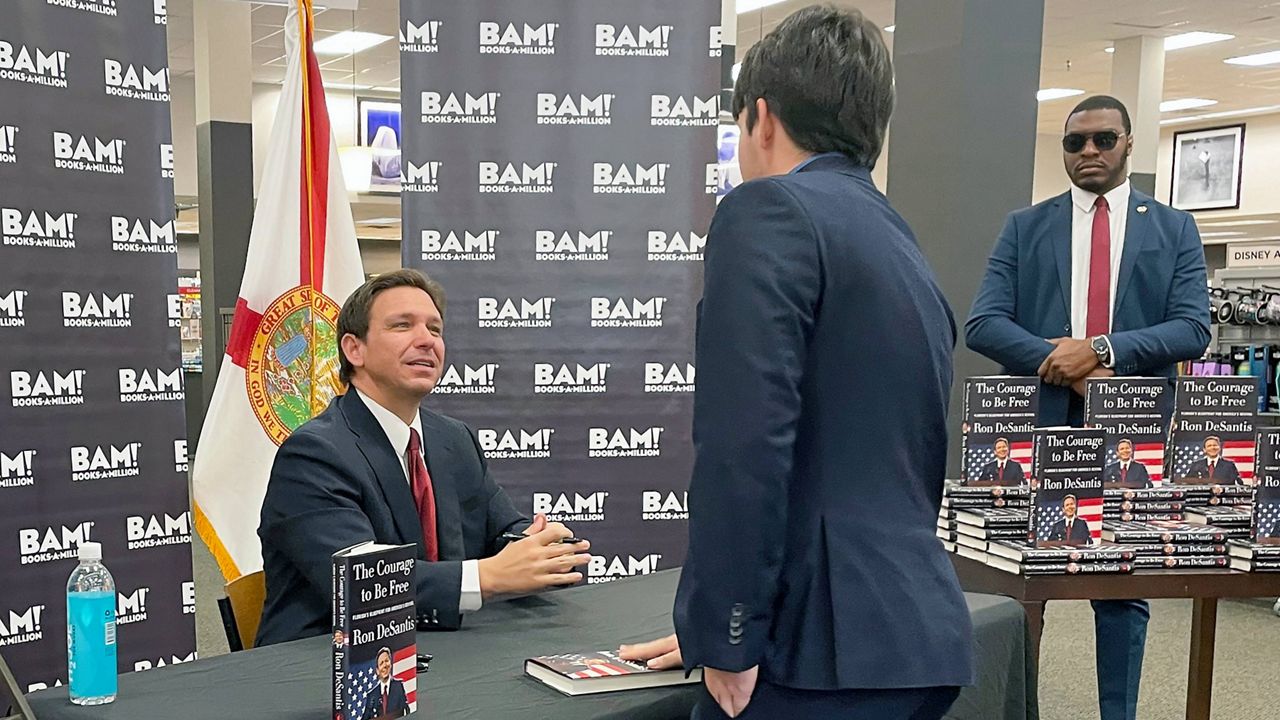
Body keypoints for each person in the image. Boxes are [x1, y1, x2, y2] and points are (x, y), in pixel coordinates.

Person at [622, 8, 973, 719]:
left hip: (818, 659)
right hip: (911, 633)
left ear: (761, 117)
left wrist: (728, 631)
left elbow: (745, 441)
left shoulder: (767, 211)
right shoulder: (896, 240)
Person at [966, 94, 1210, 720]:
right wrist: (1066, 367)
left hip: (1130, 433)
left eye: (1104, 139)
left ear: (1129, 143)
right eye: (1075, 143)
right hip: (1034, 432)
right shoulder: (1026, 225)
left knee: (1123, 590)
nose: (1089, 152)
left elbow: (1191, 329)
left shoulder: (1173, 227)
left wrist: (1099, 353)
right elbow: (984, 324)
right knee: (1025, 588)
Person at [256, 270, 591, 646]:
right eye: (402, 326)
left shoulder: (453, 439)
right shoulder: (314, 455)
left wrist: (532, 545)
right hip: (325, 667)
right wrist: (489, 576)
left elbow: (500, 531)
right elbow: (364, 583)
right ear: (355, 350)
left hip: (439, 651)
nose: (425, 341)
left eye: (435, 329)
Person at [360, 647, 408, 720]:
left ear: (391, 663)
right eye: (381, 663)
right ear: (377, 671)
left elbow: (407, 711)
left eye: (386, 661)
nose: (385, 665)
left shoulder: (398, 686)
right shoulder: (371, 695)